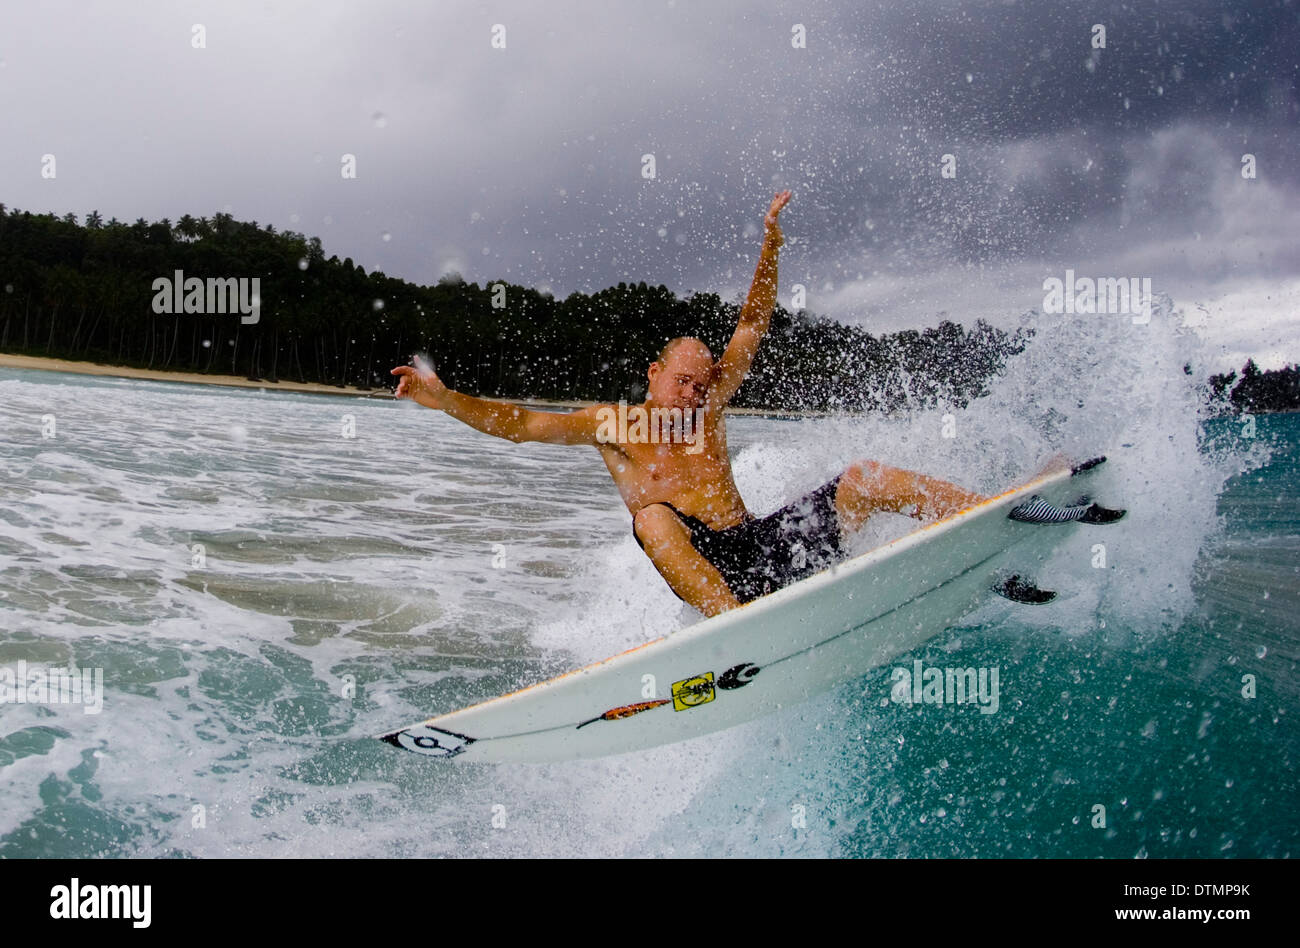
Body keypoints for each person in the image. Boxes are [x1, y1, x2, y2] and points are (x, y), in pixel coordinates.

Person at [391, 191, 989, 617]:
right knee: (649, 516)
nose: (693, 394)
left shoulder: (711, 409)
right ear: (654, 375)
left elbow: (753, 321)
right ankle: (734, 633)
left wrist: (771, 244)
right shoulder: (614, 425)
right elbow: (520, 423)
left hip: (760, 549)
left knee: (863, 478)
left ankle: (992, 517)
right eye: (683, 382)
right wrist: (445, 401)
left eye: (702, 385)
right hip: (711, 577)